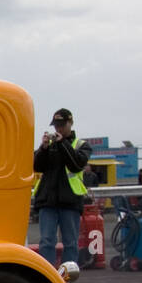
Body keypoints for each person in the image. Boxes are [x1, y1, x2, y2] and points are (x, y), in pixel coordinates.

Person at [33, 108, 92, 268]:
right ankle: (48, 277)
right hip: (48, 200)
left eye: (61, 125)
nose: (58, 129)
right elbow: (36, 166)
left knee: (70, 242)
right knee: (46, 241)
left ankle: (68, 278)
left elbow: (76, 165)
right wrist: (43, 148)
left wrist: (62, 143)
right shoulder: (50, 145)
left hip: (70, 200)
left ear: (70, 123)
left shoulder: (81, 145)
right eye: (56, 125)